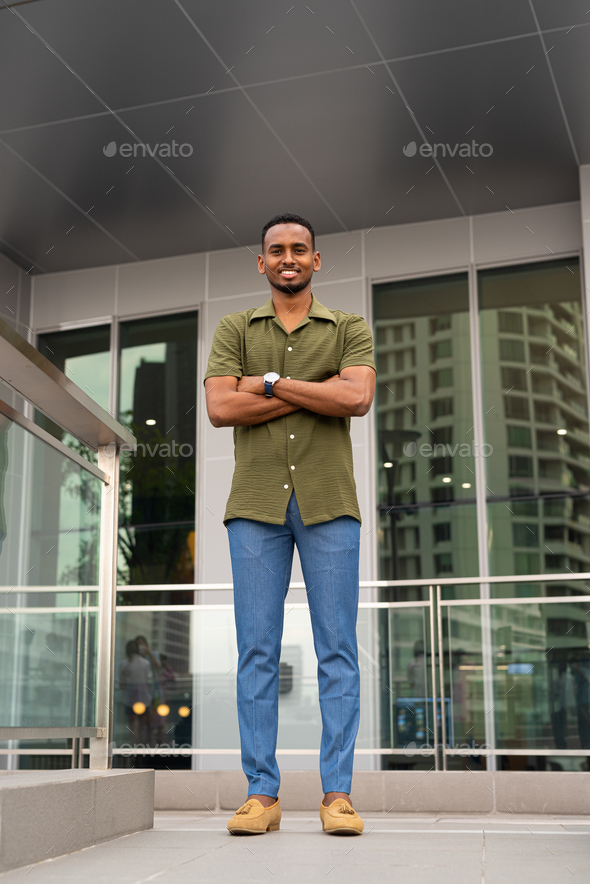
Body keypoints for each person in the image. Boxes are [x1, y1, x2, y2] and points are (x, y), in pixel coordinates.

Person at [204, 213, 376, 836]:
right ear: (261, 263)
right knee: (256, 651)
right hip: (255, 508)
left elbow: (356, 398)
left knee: (338, 651)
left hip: (330, 504)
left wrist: (269, 383)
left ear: (316, 260)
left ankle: (337, 796)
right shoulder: (234, 327)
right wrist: (315, 387)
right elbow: (221, 407)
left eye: (299, 249)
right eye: (276, 249)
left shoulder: (348, 326)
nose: (287, 258)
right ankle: (262, 795)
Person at [119, 639, 152, 745]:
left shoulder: (124, 664)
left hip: (130, 698)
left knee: (132, 727)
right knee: (142, 726)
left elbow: (121, 683)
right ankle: (141, 747)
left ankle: (133, 746)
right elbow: (149, 679)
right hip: (144, 697)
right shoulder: (145, 663)